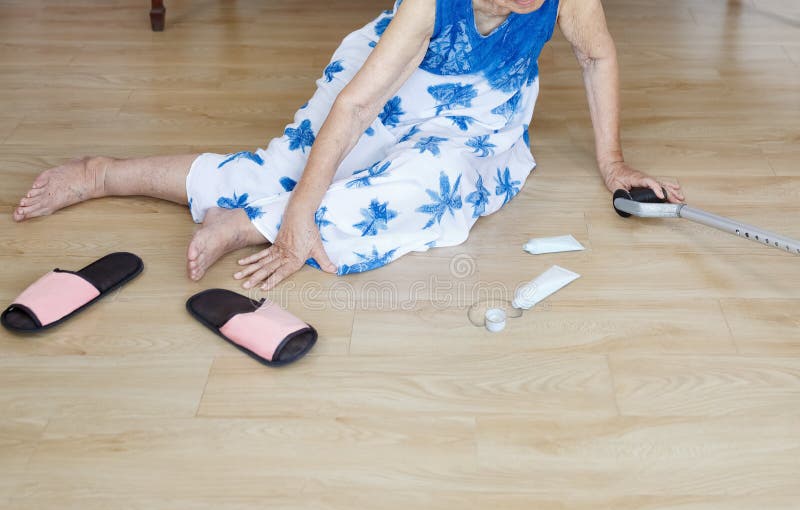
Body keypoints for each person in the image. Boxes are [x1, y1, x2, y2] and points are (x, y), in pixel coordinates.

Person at [12, 0, 685, 291]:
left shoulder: (567, 0)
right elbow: (359, 103)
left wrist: (613, 163)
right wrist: (301, 206)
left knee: (436, 179)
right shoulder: (429, 6)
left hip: (477, 119)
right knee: (291, 170)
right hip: (389, 78)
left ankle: (247, 225)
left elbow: (598, 59)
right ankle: (103, 175)